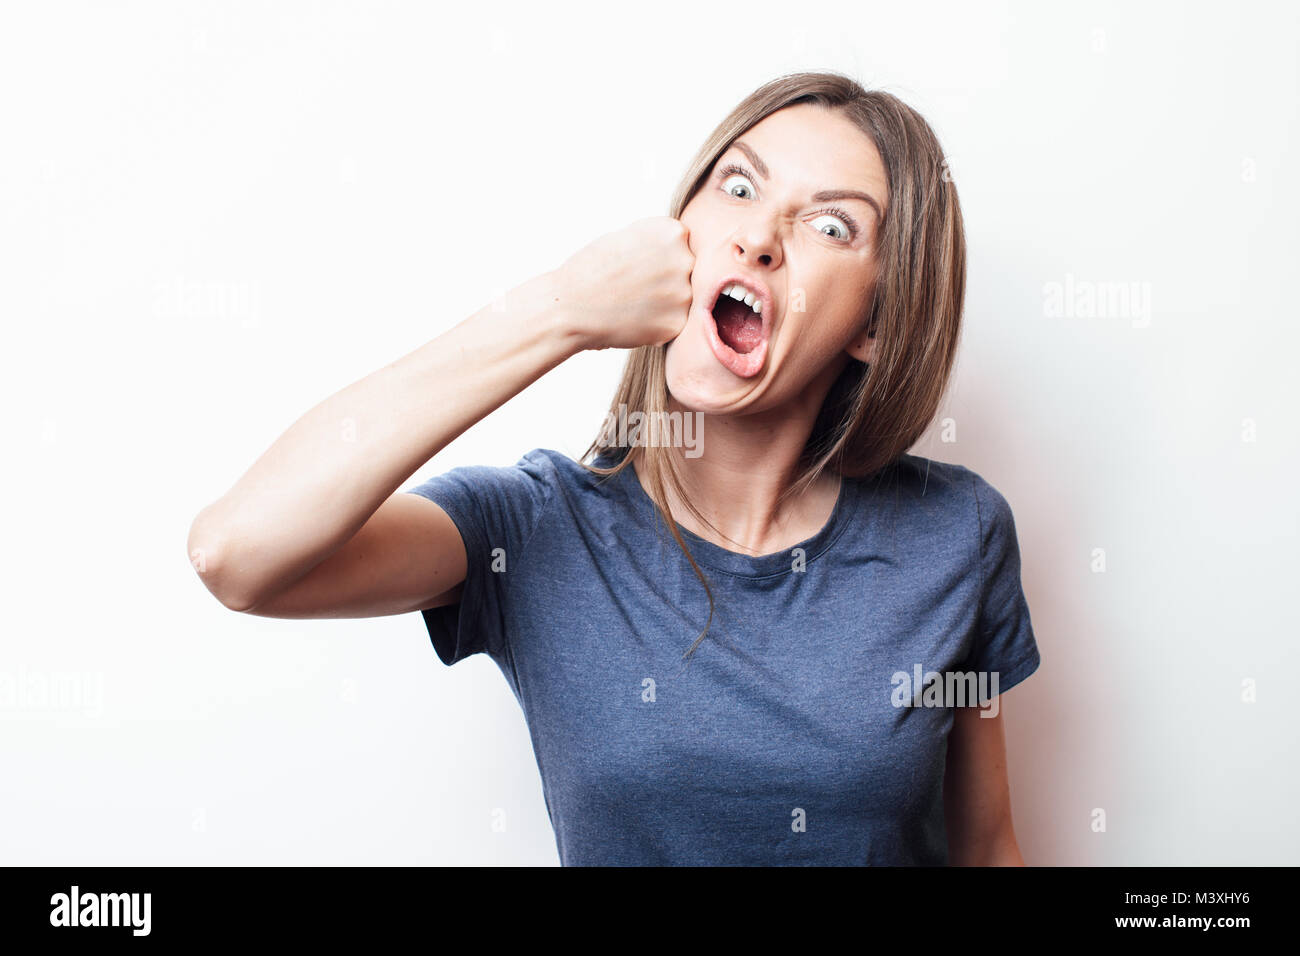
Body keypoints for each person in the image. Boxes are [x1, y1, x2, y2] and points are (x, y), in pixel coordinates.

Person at [187, 70, 1041, 866]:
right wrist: (562, 310)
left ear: (877, 326)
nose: (758, 235)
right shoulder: (533, 529)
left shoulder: (956, 535)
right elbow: (236, 554)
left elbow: (987, 847)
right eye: (739, 187)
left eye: (829, 225)